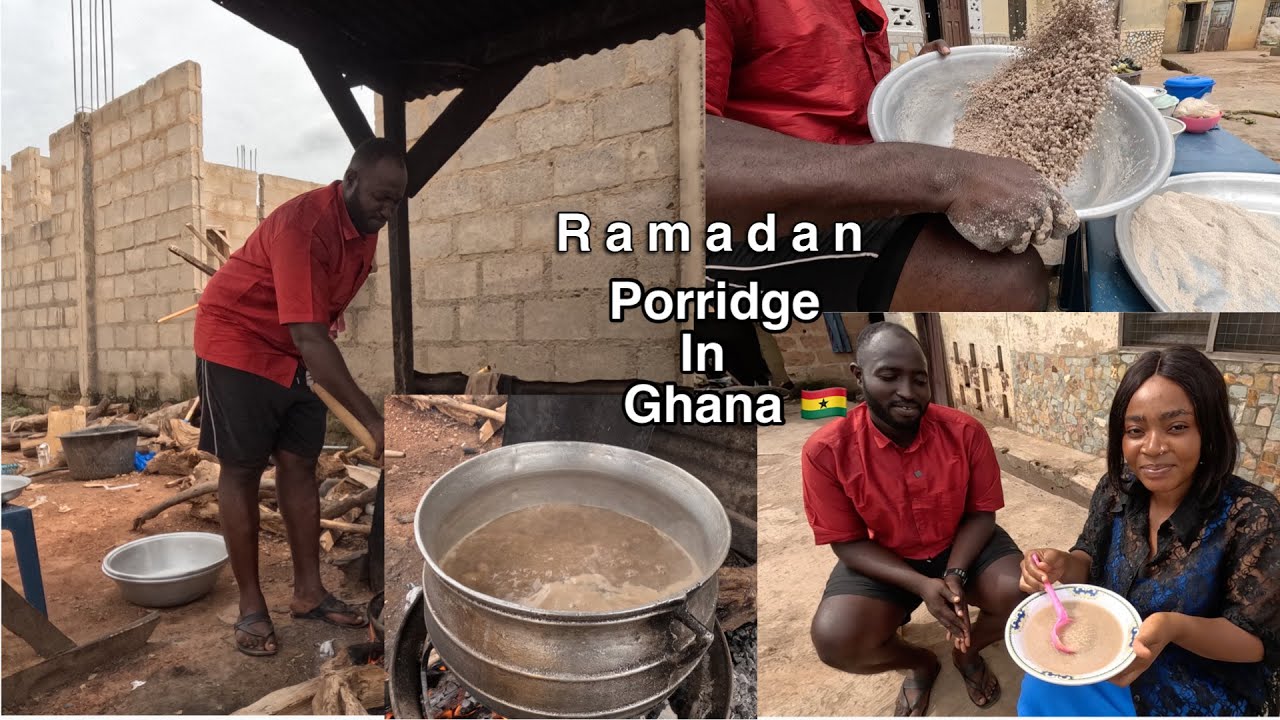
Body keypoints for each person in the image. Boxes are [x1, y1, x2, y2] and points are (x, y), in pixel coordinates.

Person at [704, 0, 1079, 311]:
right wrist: (944, 175)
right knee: (1003, 279)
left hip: (857, 179)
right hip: (757, 221)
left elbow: (829, 97)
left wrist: (916, 78)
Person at [193, 137, 407, 656]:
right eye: (380, 196)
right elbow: (311, 337)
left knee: (300, 464)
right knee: (242, 470)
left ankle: (308, 594)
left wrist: (311, 352)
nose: (387, 209)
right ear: (350, 180)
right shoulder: (304, 225)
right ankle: (250, 608)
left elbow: (316, 322)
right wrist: (374, 421)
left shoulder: (365, 228)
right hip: (236, 342)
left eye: (396, 201)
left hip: (292, 346)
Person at [1017, 346, 1280, 716]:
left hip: (1195, 681)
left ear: (1209, 428)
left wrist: (1174, 628)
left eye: (1177, 427)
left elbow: (1256, 640)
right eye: (1135, 430)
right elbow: (1088, 556)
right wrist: (1062, 565)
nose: (1153, 447)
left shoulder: (1253, 515)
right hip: (1105, 654)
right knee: (1037, 692)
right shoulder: (1116, 488)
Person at [802, 322, 1025, 715]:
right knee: (836, 638)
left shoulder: (965, 432)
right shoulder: (825, 451)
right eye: (889, 376)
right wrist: (920, 584)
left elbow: (981, 514)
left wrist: (954, 574)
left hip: (962, 544)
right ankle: (921, 662)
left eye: (919, 380)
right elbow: (847, 541)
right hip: (888, 557)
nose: (908, 392)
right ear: (859, 375)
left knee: (1024, 593)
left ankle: (966, 650)